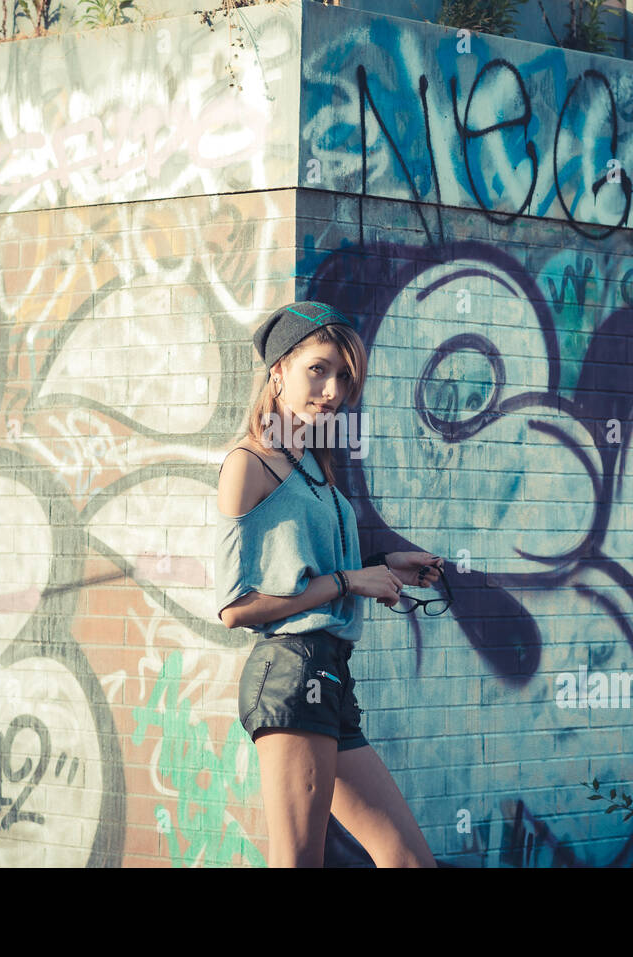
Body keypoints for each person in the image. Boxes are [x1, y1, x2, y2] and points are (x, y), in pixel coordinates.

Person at [214, 300, 441, 868]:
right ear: (278, 371)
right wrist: (350, 581)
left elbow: (299, 566)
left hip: (331, 677)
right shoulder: (250, 464)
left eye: (343, 376)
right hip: (291, 674)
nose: (332, 390)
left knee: (408, 859)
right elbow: (238, 606)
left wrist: (384, 561)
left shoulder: (312, 464)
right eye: (318, 369)